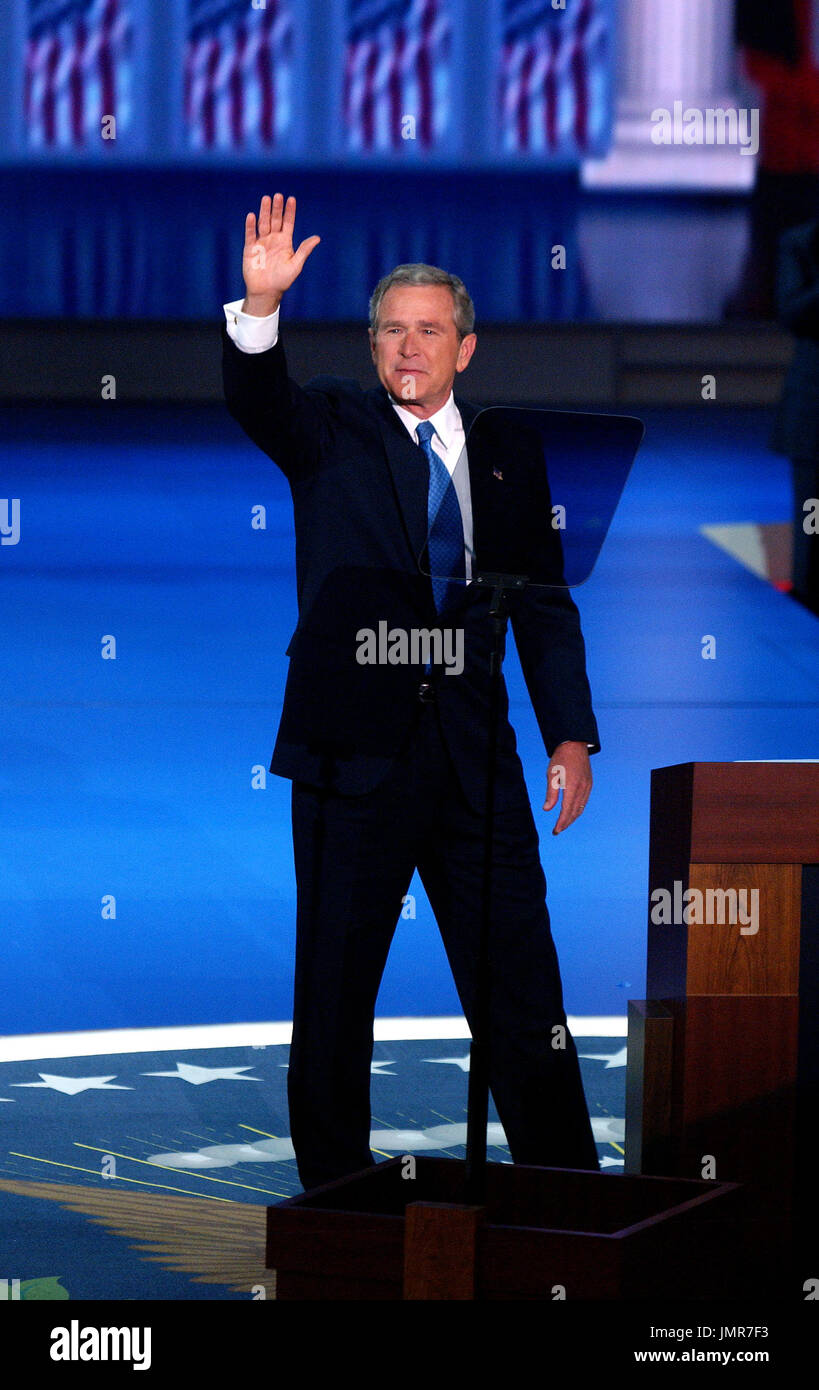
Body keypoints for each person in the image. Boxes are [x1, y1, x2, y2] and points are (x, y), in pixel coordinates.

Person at [222, 193, 601, 1190]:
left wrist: (572, 736)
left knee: (521, 983)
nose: (408, 347)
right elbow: (262, 402)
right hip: (353, 758)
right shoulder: (335, 426)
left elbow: (547, 607)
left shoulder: (512, 459)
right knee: (337, 987)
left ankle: (565, 1183)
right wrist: (261, 309)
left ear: (465, 350)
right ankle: (338, 1195)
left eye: (429, 331)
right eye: (392, 329)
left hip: (478, 762)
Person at [771, 217, 819, 615]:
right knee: (811, 508)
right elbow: (791, 312)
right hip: (813, 401)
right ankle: (808, 592)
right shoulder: (801, 242)